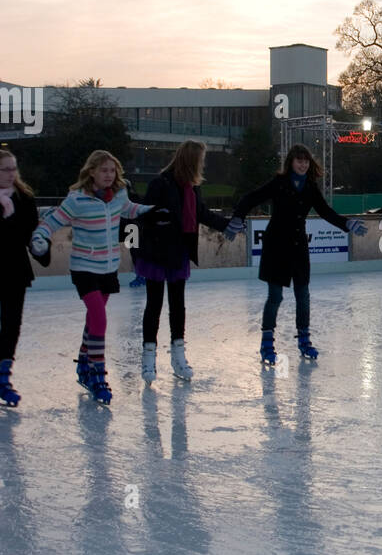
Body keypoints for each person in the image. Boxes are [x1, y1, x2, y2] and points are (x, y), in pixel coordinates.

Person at [29, 149, 162, 403]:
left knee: (93, 320)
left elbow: (130, 209)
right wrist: (39, 238)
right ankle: (98, 374)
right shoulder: (76, 200)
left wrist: (152, 210)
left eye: (112, 171)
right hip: (84, 268)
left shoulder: (117, 196)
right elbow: (51, 221)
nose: (109, 175)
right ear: (91, 172)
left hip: (107, 268)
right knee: (99, 318)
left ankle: (84, 365)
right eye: (104, 170)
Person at [226, 143, 367, 361]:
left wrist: (347, 224)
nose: (303, 164)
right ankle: (267, 343)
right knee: (275, 297)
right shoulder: (279, 182)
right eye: (299, 160)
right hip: (276, 246)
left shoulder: (310, 187)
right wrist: (237, 218)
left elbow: (326, 212)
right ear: (290, 162)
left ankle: (304, 340)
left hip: (299, 247)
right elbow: (250, 198)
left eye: (306, 160)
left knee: (303, 296)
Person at [134, 140, 233, 383]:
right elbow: (142, 215)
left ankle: (178, 357)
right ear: (191, 160)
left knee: (178, 305)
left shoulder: (192, 188)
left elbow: (202, 214)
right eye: (200, 159)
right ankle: (148, 359)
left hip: (178, 252)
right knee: (154, 305)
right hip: (157, 253)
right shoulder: (160, 183)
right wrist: (157, 219)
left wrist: (228, 224)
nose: (203, 163)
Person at [0, 149, 46, 406]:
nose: (10, 174)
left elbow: (30, 233)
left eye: (13, 168)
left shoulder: (24, 199)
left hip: (15, 270)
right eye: (5, 169)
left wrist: (41, 248)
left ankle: (3, 378)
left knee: (11, 324)